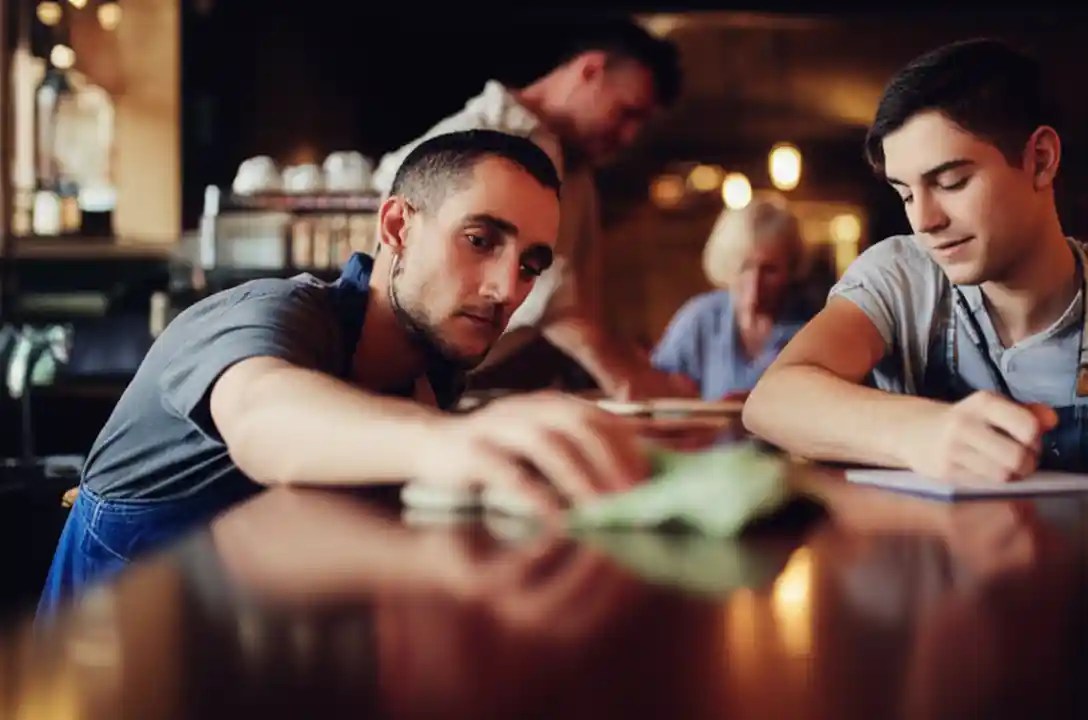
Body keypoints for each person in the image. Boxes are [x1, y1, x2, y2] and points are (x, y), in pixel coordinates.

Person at [39, 130, 648, 614]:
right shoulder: (268, 313)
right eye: (481, 239)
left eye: (530, 265)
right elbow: (262, 415)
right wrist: (455, 439)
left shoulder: (431, 365)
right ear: (396, 227)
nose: (505, 287)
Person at [743, 39, 1088, 483]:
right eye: (906, 194)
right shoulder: (902, 276)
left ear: (1040, 160)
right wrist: (922, 433)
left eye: (951, 182)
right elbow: (774, 400)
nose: (925, 221)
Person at [373, 21, 685, 399]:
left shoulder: (578, 175)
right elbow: (558, 307)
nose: (629, 136)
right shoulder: (473, 134)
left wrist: (634, 368)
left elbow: (581, 301)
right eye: (626, 113)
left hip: (497, 391)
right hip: (412, 387)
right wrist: (630, 381)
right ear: (590, 71)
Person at [650, 196, 814, 400]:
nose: (755, 283)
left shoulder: (811, 326)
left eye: (770, 270)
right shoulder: (700, 319)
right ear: (728, 265)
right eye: (744, 267)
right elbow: (657, 389)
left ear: (791, 267)